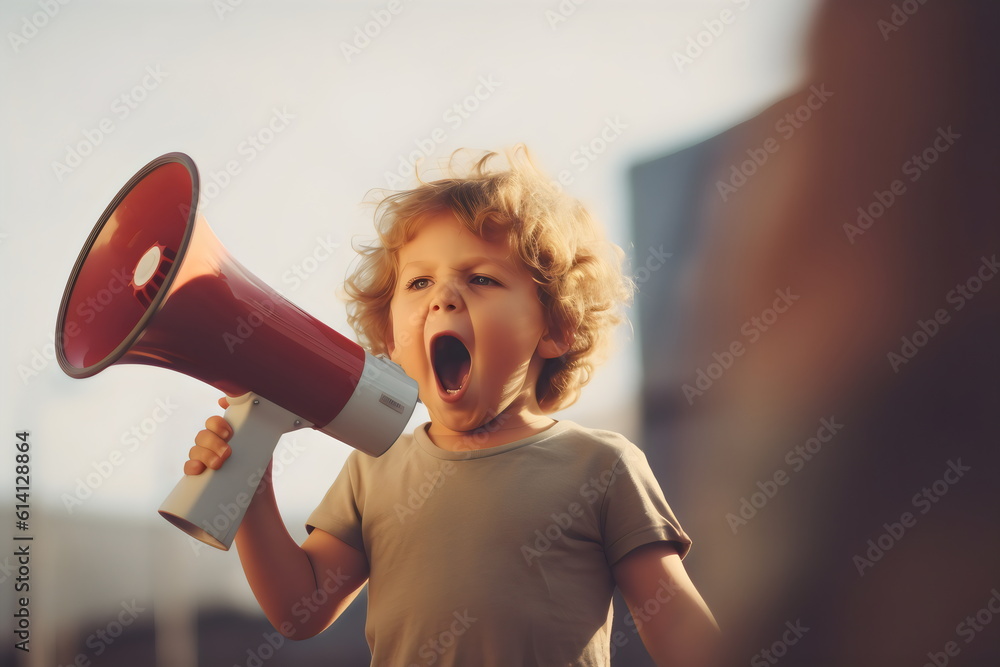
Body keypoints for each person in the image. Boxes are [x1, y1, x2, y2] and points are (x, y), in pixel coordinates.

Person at [184, 146, 719, 666]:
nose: (442, 297)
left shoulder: (602, 465)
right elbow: (300, 611)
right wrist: (251, 487)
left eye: (481, 278)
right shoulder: (372, 468)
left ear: (556, 327)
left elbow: (672, 619)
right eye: (419, 282)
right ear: (391, 338)